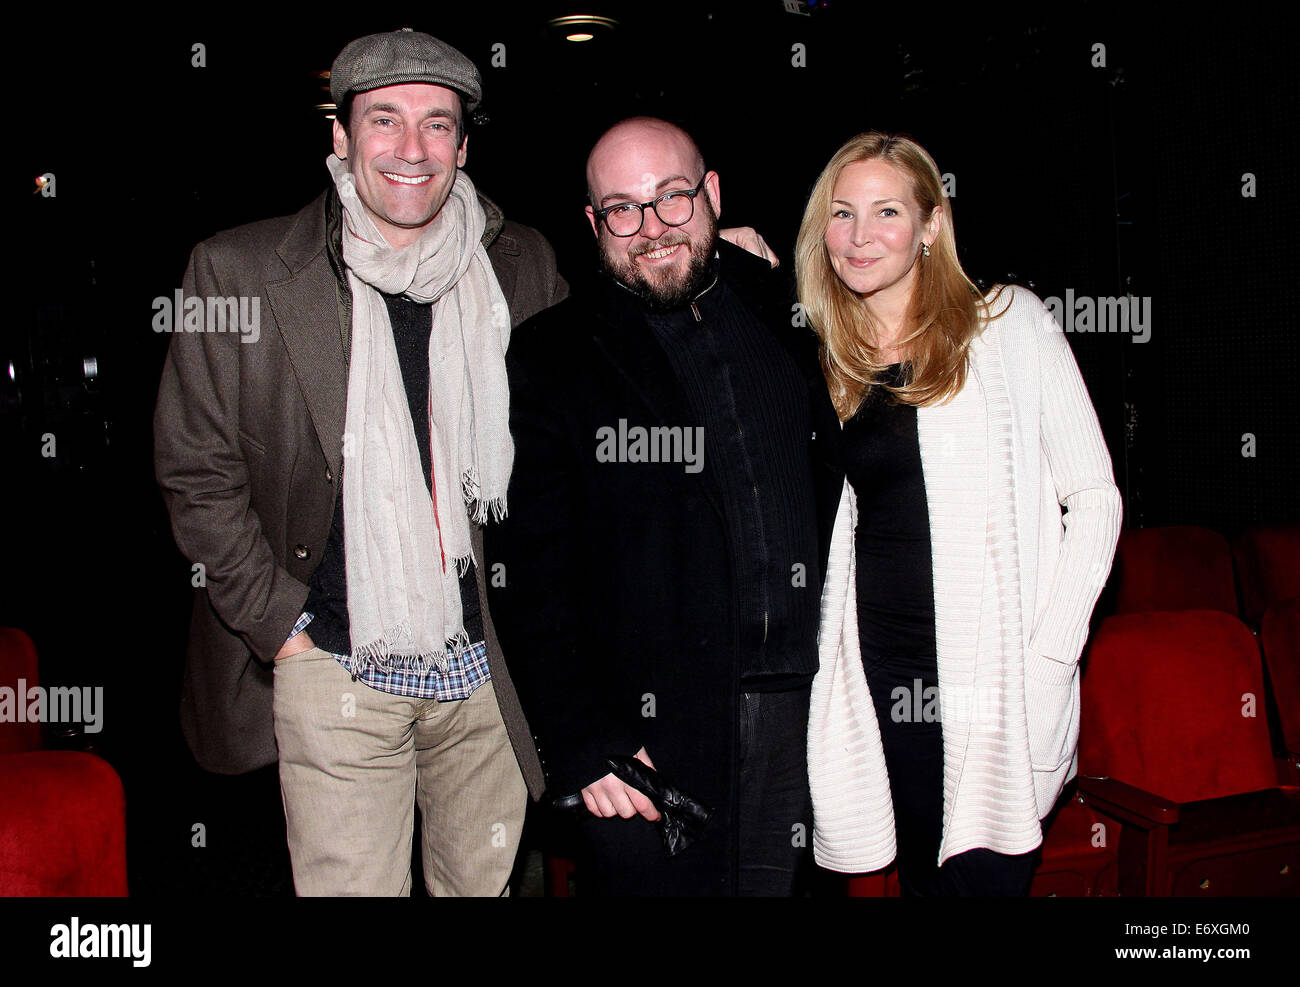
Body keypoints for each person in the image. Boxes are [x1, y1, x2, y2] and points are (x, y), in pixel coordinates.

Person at [153, 28, 568, 895]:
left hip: (486, 671)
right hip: (332, 665)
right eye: (385, 120)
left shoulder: (521, 264)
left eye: (437, 124)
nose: (411, 150)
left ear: (463, 143)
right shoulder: (240, 272)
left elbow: (590, 407)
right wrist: (284, 626)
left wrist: (727, 265)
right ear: (341, 136)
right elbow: (196, 472)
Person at [485, 117, 844, 895]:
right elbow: (527, 574)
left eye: (673, 198)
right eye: (622, 208)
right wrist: (583, 741)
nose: (651, 228)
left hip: (812, 719)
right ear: (593, 223)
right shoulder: (550, 357)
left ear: (711, 195)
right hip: (654, 750)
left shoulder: (794, 312)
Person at [795, 132, 1122, 896]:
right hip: (883, 676)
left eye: (886, 211)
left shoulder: (1007, 323)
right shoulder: (829, 355)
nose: (860, 235)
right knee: (919, 876)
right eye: (842, 214)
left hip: (994, 678)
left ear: (931, 225)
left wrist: (1051, 656)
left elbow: (1096, 498)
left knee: (985, 877)